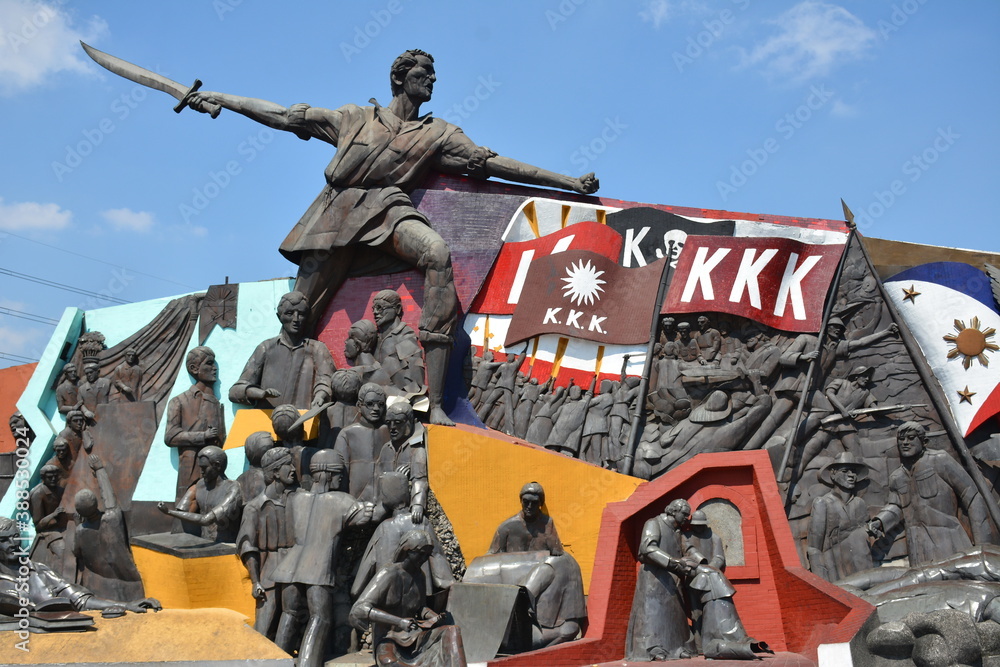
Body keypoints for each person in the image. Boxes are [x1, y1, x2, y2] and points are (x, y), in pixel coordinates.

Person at [186, 50, 599, 426]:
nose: (433, 81)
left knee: (437, 253)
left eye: (435, 75)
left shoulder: (437, 133)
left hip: (389, 210)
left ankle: (435, 402)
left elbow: (491, 164)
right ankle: (280, 406)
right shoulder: (354, 118)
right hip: (336, 216)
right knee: (300, 312)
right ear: (400, 78)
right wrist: (221, 99)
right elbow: (285, 116)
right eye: (426, 74)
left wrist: (567, 182)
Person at [271, 450, 374, 667]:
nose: (341, 478)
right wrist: (378, 497)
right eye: (338, 473)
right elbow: (367, 516)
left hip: (289, 568)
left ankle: (275, 662)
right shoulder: (341, 501)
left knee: (288, 615)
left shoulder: (297, 498)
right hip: (317, 570)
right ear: (327, 474)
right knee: (320, 618)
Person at [868, 422, 997, 566]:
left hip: (948, 541)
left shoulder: (940, 460)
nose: (905, 443)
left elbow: (972, 498)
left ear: (924, 442)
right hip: (917, 548)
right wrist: (880, 521)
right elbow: (897, 506)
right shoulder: (897, 477)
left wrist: (983, 545)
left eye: (911, 438)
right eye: (901, 439)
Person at [486, 482, 587, 648]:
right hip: (513, 586)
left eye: (534, 502)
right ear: (521, 501)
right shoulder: (507, 527)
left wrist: (549, 536)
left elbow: (557, 554)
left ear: (540, 503)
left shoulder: (547, 524)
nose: (530, 506)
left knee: (567, 563)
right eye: (526, 501)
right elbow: (490, 561)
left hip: (544, 585)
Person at [0, 516, 160, 615]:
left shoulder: (39, 571)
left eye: (15, 537)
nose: (13, 543)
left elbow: (79, 600)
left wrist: (126, 605)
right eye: (4, 540)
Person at [230, 291, 336, 410]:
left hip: (303, 420)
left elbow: (326, 380)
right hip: (267, 420)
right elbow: (236, 390)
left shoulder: (317, 349)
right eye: (289, 313)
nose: (295, 319)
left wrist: (320, 396)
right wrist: (261, 393)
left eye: (301, 314)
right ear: (279, 317)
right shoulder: (266, 348)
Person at [238, 446, 297, 640]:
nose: (294, 469)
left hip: (294, 568)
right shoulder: (254, 508)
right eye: (288, 465)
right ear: (275, 472)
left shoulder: (299, 500)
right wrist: (255, 581)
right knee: (264, 622)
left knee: (292, 617)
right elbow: (248, 547)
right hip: (268, 571)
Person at [626, 499, 696, 661]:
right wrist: (673, 562)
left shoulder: (677, 531)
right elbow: (647, 548)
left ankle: (676, 648)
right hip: (654, 577)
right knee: (654, 614)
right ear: (673, 511)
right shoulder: (654, 523)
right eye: (684, 514)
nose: (687, 517)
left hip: (673, 578)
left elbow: (687, 551)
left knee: (675, 615)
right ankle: (652, 648)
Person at [73, 454, 145, 601]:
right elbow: (110, 500)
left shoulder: (80, 532)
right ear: (95, 504)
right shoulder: (110, 520)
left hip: (101, 589)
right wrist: (99, 469)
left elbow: (76, 552)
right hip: (131, 585)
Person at [165, 346, 227, 506]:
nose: (215, 368)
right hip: (191, 467)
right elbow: (170, 436)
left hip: (216, 471)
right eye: (209, 364)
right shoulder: (179, 401)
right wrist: (202, 436)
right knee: (185, 511)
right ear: (194, 369)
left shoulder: (216, 402)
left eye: (215, 364)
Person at [807, 452, 873, 582]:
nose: (851, 475)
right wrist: (822, 581)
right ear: (833, 474)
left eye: (853, 472)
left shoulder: (859, 504)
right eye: (845, 471)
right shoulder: (823, 503)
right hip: (833, 569)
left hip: (861, 569)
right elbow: (814, 548)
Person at [158, 445, 243, 542]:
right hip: (204, 542)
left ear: (217, 465)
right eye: (200, 467)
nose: (201, 472)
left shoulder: (233, 488)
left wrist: (169, 512)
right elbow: (184, 513)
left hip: (225, 546)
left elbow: (206, 520)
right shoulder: (200, 485)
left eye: (204, 468)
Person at [372, 289, 426, 396]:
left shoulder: (405, 336)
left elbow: (415, 380)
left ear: (397, 309)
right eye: (373, 308)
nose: (375, 312)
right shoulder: (375, 337)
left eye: (380, 308)